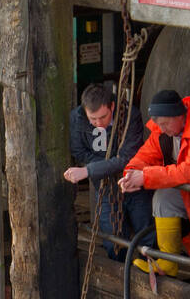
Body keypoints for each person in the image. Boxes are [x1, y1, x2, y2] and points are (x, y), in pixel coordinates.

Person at [119, 88, 190, 277]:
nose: (163, 129)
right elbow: (144, 156)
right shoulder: (163, 130)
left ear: (180, 116)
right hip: (189, 191)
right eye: (159, 124)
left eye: (165, 124)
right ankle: (168, 263)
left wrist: (145, 177)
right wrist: (131, 174)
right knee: (163, 198)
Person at [65, 83, 155, 261]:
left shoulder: (131, 116)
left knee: (146, 236)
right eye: (93, 119)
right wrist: (107, 166)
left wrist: (89, 170)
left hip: (133, 183)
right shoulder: (77, 118)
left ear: (112, 107)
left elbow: (126, 158)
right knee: (112, 241)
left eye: (103, 117)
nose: (99, 123)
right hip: (105, 188)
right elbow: (79, 152)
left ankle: (151, 274)